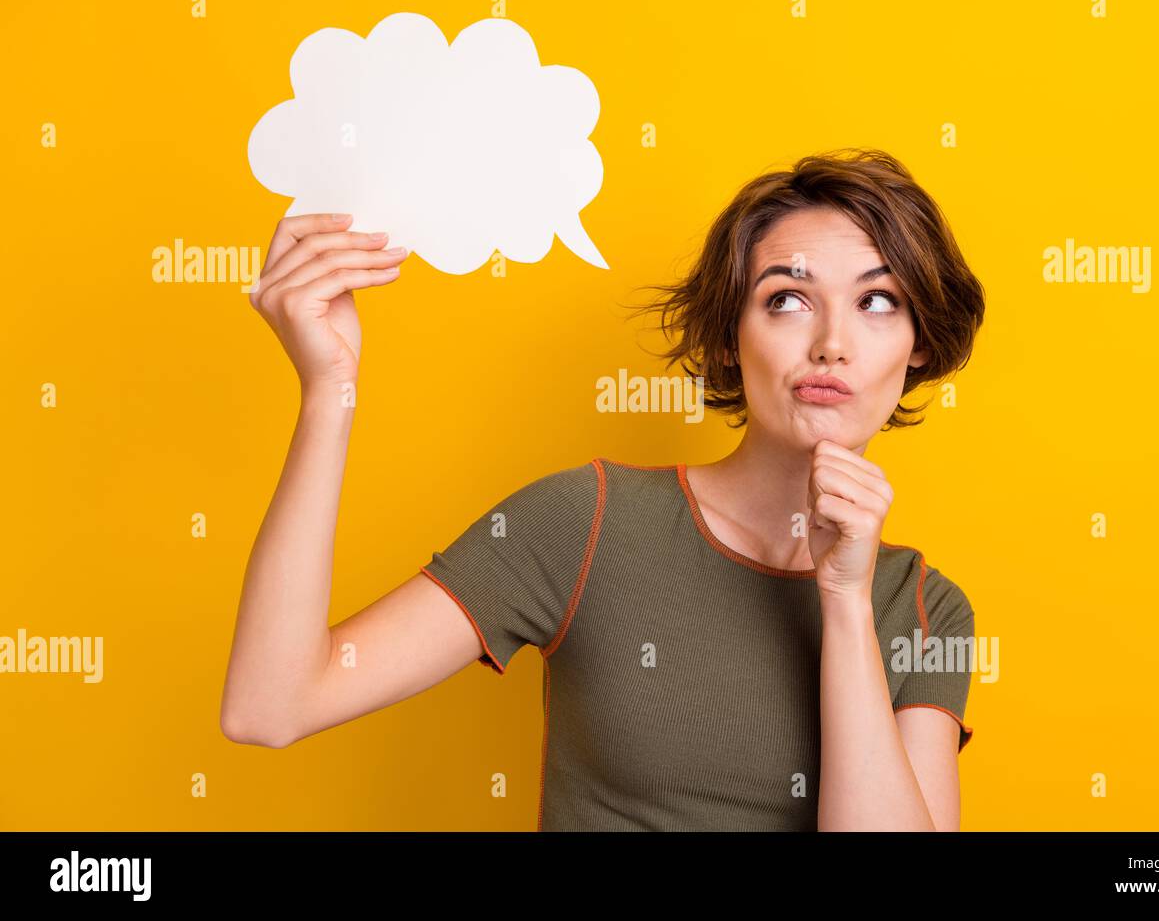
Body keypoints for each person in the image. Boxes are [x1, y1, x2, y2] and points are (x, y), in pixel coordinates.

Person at [220, 147, 987, 832]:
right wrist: (331, 388)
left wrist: (846, 601)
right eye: (786, 298)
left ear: (918, 348)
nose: (831, 344)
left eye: (877, 301)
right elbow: (272, 704)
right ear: (729, 334)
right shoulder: (585, 521)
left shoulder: (924, 607)